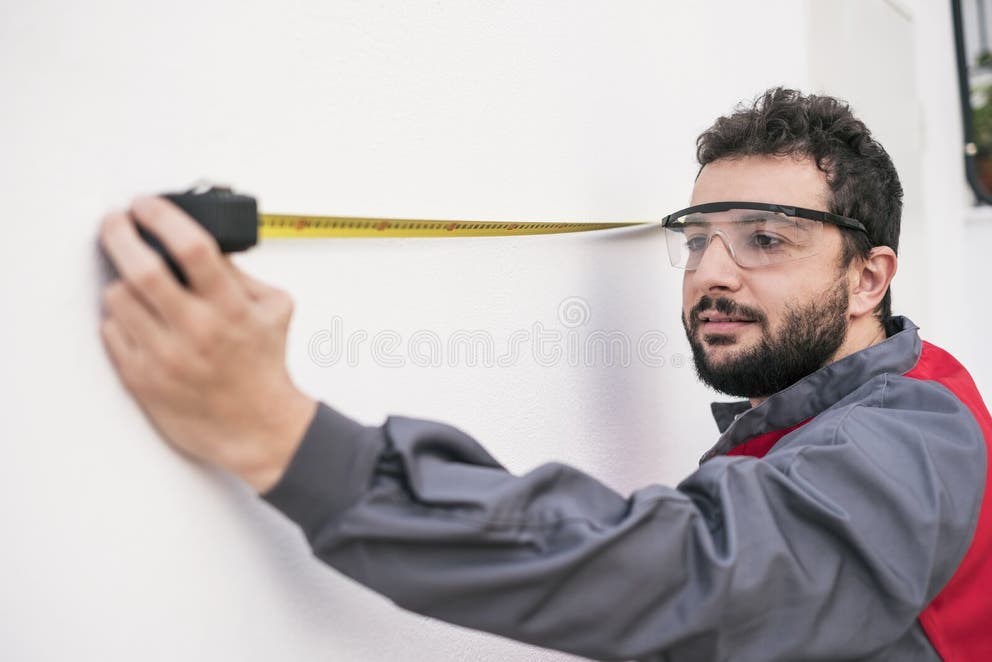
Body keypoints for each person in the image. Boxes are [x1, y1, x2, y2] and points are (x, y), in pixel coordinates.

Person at [98, 88, 991, 661]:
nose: (712, 271)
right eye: (695, 240)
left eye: (766, 237)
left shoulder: (917, 432)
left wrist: (286, 439)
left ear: (869, 277)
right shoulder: (814, 413)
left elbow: (696, 571)